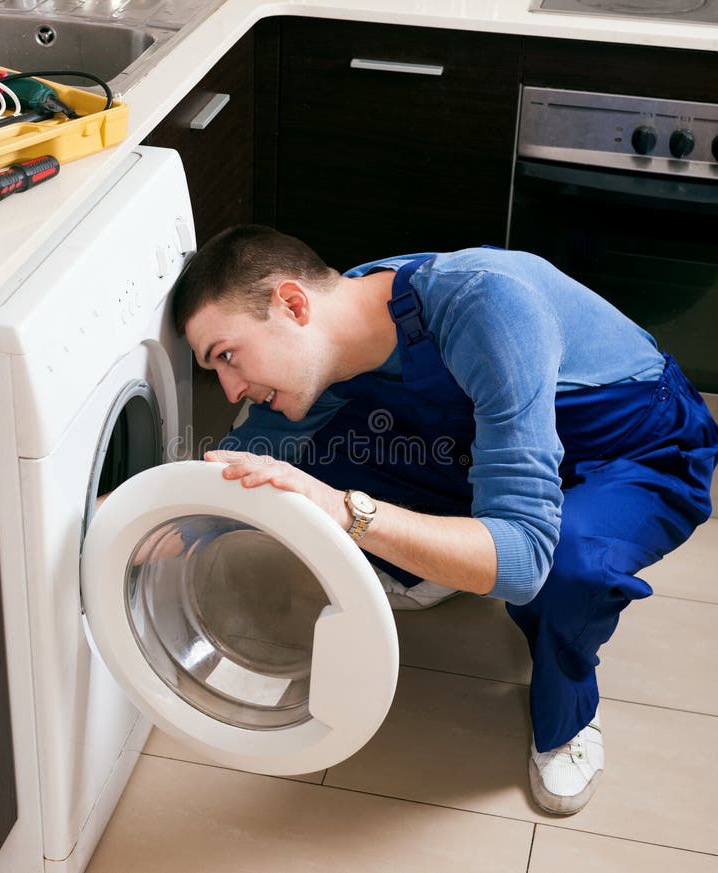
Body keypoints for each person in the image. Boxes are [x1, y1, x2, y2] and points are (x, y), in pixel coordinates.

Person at [172, 224, 718, 816]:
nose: (229, 390)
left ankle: (568, 718)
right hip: (504, 445)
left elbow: (525, 562)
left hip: (632, 447)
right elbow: (250, 456)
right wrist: (139, 518)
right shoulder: (339, 323)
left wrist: (348, 512)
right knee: (312, 452)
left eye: (226, 356)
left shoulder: (486, 305)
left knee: (568, 565)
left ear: (293, 304)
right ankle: (447, 556)